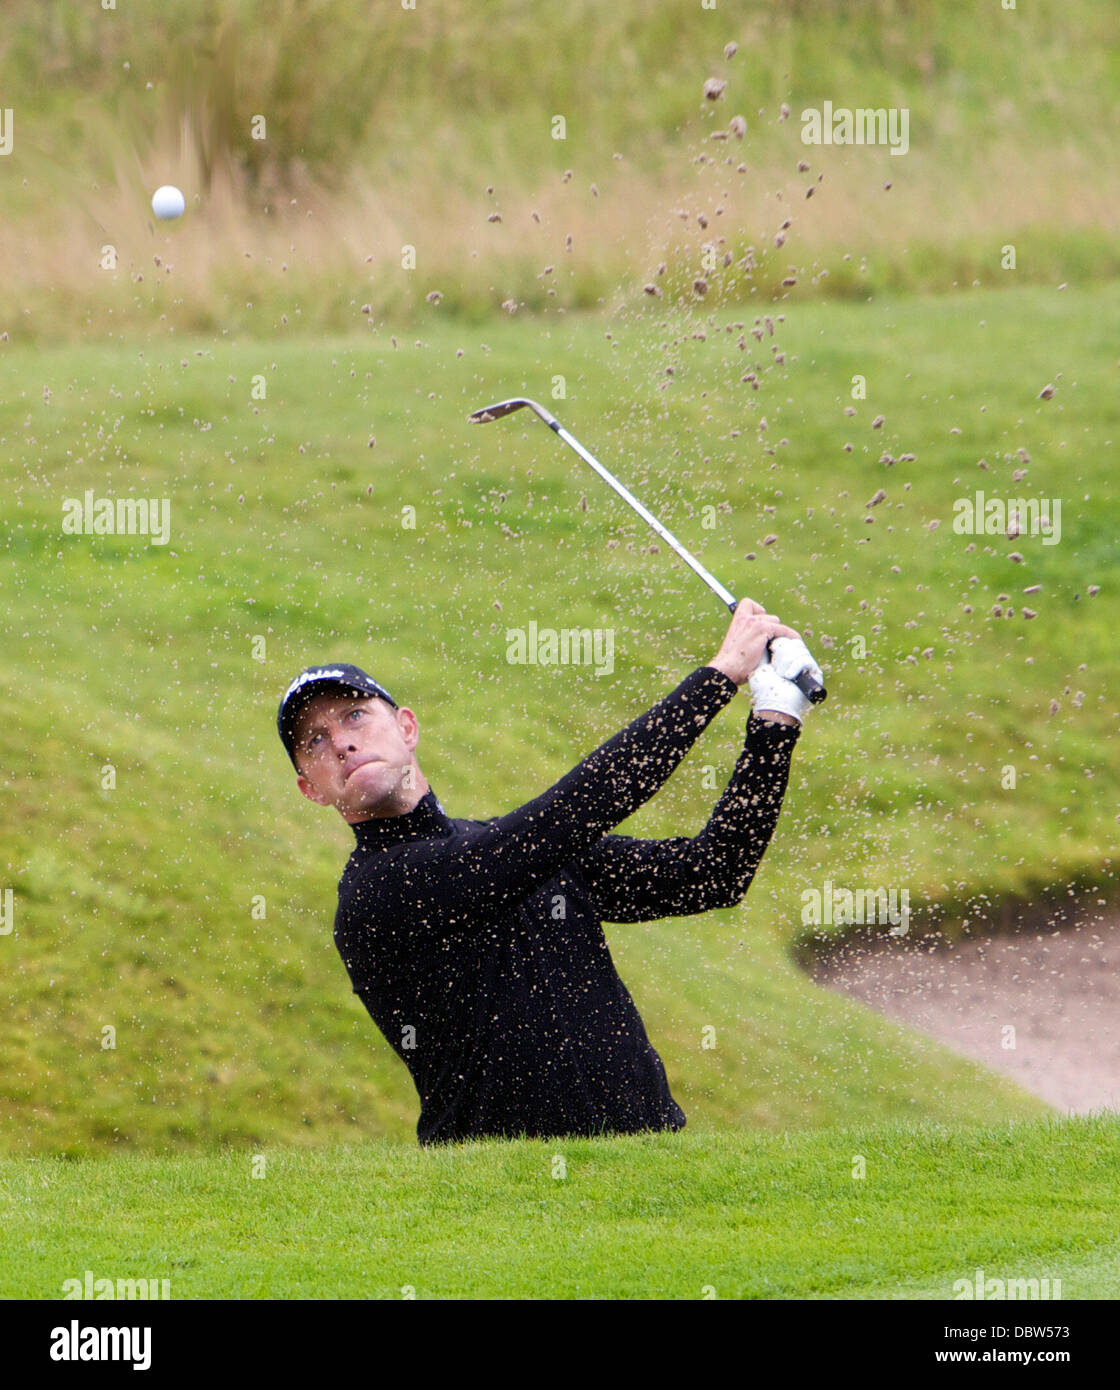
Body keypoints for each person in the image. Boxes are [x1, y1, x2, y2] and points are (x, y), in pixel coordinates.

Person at [276, 599, 817, 1146]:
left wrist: (776, 720)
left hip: (656, 1168)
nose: (342, 742)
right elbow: (573, 814)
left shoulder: (514, 850)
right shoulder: (380, 890)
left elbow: (712, 874)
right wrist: (720, 675)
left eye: (354, 715)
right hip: (509, 1203)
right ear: (311, 788)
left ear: (407, 727)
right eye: (315, 741)